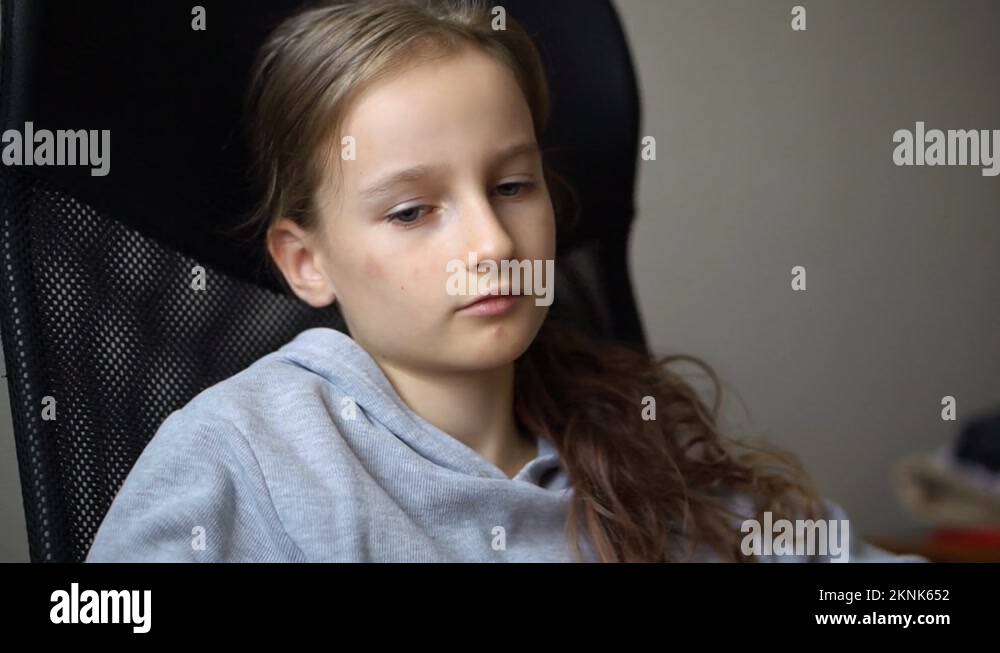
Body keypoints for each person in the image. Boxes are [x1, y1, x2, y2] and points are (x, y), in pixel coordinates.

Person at [86, 0, 924, 563]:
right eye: (414, 210)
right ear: (307, 262)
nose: (491, 241)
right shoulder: (244, 451)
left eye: (512, 187)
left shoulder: (627, 438)